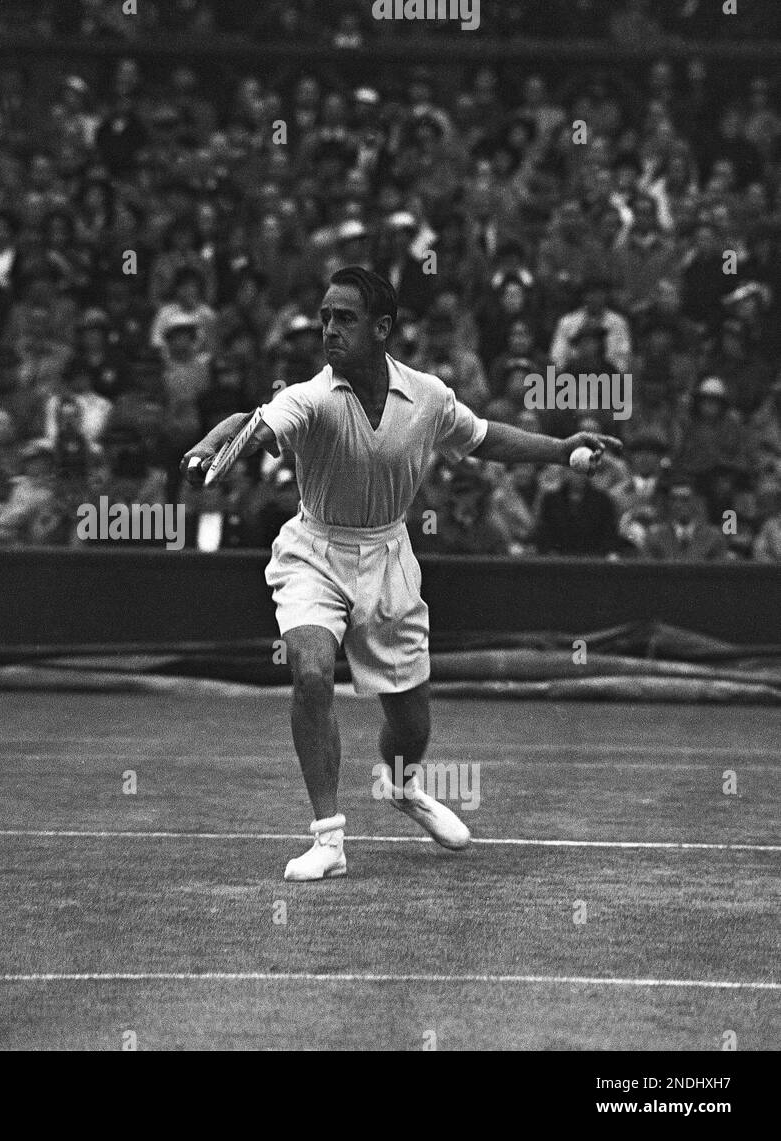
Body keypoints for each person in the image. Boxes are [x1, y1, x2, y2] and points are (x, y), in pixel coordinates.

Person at [181, 267, 619, 881]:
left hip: (389, 562)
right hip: (314, 552)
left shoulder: (431, 397)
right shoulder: (309, 397)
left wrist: (561, 446)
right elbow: (251, 425)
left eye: (345, 318)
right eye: (326, 317)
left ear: (382, 328)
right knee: (309, 672)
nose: (329, 329)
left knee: (412, 725)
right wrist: (211, 445)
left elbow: (485, 437)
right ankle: (328, 838)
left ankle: (404, 787)